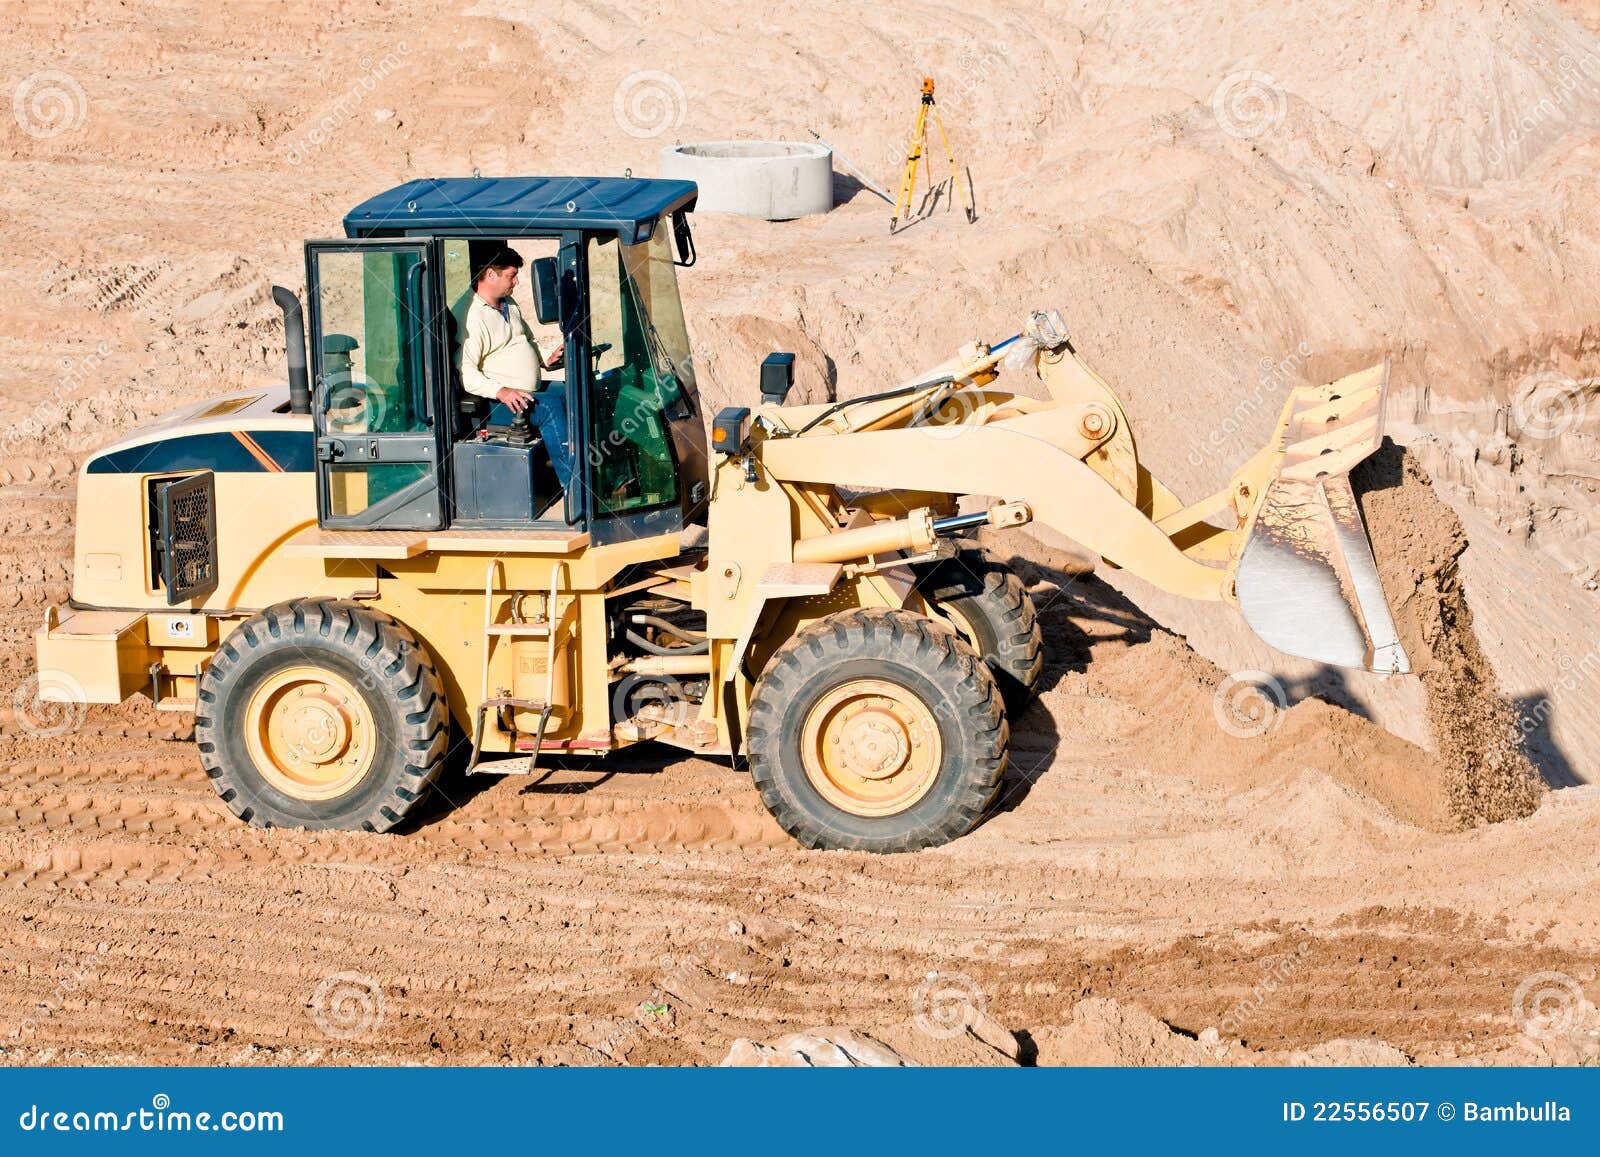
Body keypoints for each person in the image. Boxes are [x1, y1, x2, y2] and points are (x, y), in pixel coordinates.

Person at [460, 248, 572, 488]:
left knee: (574, 393)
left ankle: (598, 472)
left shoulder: (508, 304)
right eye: (511, 276)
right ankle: (575, 487)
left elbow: (526, 340)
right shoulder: (473, 317)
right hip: (499, 402)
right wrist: (502, 391)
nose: (516, 281)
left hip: (527, 390)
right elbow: (468, 375)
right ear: (491, 275)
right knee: (550, 407)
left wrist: (547, 358)